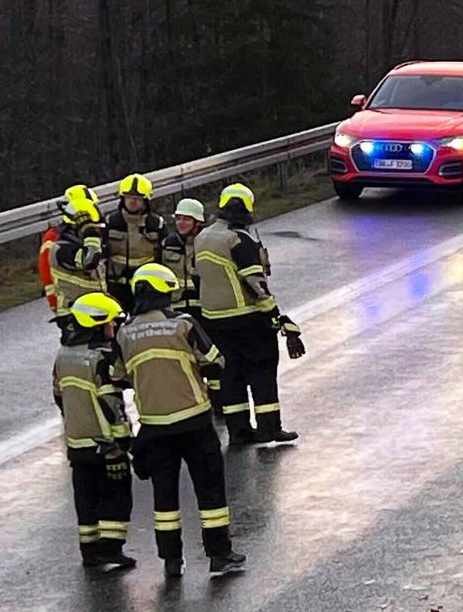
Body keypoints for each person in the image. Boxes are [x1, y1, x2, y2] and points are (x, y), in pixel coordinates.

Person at [117, 264, 244, 578]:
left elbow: (119, 376)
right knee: (209, 489)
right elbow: (215, 361)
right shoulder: (183, 324)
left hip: (153, 425)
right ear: (164, 292)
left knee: (164, 497)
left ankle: (171, 560)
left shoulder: (124, 332)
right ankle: (219, 554)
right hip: (194, 420)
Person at [194, 183, 302, 445]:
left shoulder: (203, 237)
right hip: (247, 319)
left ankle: (239, 431)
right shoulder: (239, 240)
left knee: (231, 376)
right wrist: (276, 316)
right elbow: (256, 284)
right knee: (262, 370)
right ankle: (269, 427)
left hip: (213, 320)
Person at [53, 292, 136, 571]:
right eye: (110, 323)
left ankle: (89, 550)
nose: (113, 328)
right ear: (97, 324)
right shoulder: (101, 357)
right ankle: (111, 548)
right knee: (116, 494)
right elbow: (111, 404)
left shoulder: (63, 355)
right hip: (105, 444)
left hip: (77, 443)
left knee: (85, 497)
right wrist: (121, 442)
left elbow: (59, 396)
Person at [105, 173, 167, 308]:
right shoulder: (111, 222)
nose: (132, 201)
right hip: (116, 286)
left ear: (146, 200)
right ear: (122, 198)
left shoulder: (156, 224)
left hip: (146, 287)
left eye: (138, 198)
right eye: (129, 197)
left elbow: (163, 257)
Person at [50, 184, 108, 319]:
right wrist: (90, 231)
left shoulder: (86, 242)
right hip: (74, 315)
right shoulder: (61, 247)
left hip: (95, 311)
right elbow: (89, 260)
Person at [160, 196, 207, 319]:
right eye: (178, 218)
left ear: (198, 222)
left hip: (204, 307)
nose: (181, 223)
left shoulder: (207, 243)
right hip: (176, 307)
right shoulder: (168, 244)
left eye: (186, 219)